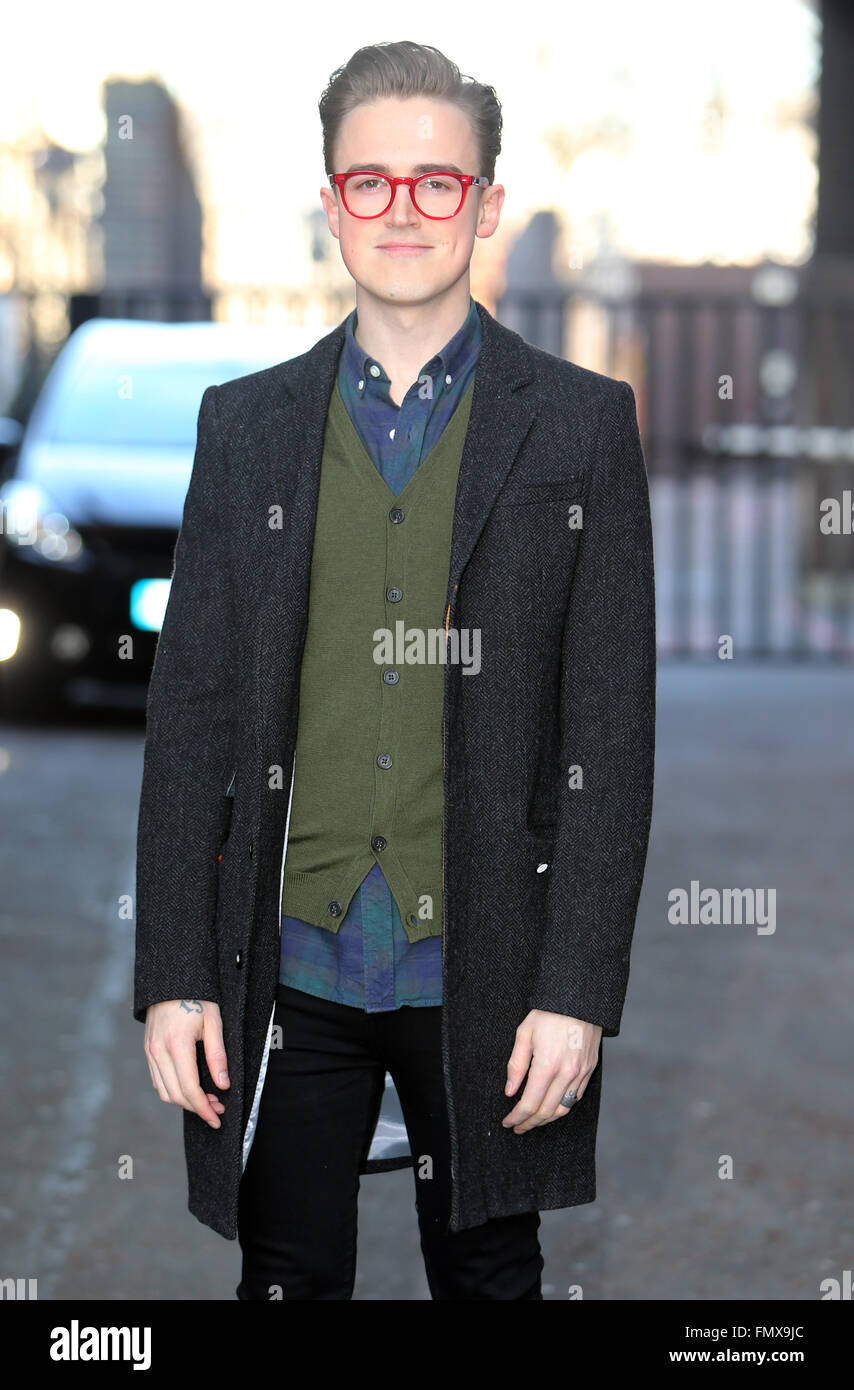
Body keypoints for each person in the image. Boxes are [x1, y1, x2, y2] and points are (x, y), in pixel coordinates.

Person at [134, 39, 656, 1301]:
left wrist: (578, 987)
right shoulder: (246, 427)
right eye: (370, 182)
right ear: (332, 206)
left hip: (484, 965)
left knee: (486, 1270)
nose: (403, 210)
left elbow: (609, 733)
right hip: (289, 963)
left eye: (437, 182)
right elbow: (192, 716)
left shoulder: (580, 428)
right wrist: (174, 975)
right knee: (285, 1272)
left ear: (483, 205)